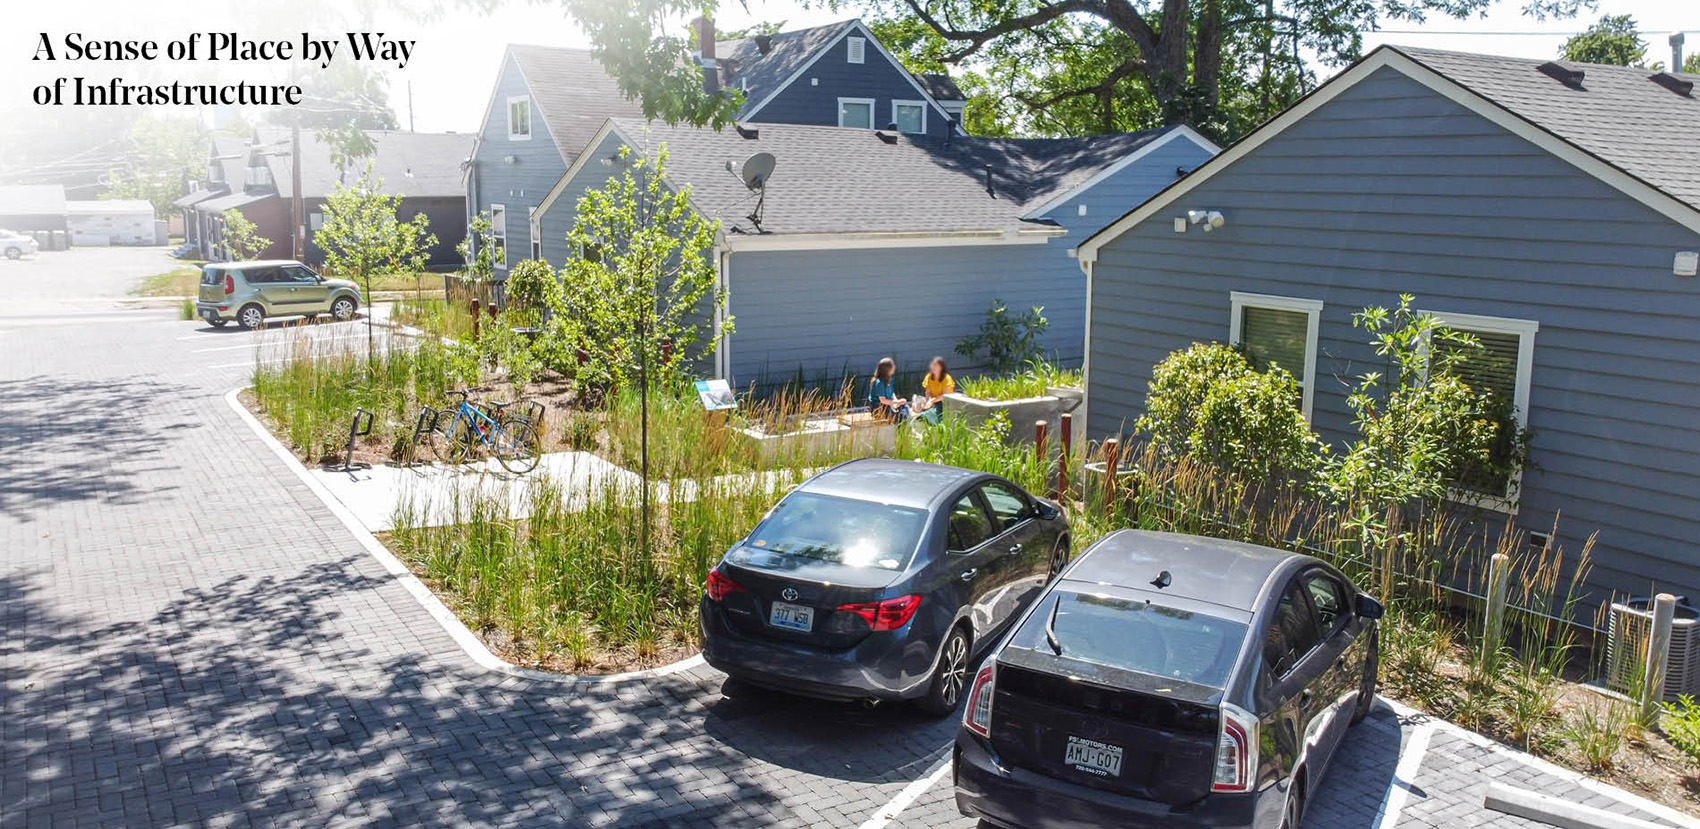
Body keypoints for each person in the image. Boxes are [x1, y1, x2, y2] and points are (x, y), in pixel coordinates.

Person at [867, 357, 909, 421]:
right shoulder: (879, 382)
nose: (894, 367)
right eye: (893, 365)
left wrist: (897, 402)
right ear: (887, 369)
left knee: (905, 406)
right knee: (899, 416)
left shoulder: (889, 379)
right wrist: (897, 402)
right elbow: (882, 400)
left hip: (888, 405)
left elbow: (891, 393)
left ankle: (905, 422)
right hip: (879, 407)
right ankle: (903, 425)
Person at [914, 356, 953, 425]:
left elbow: (945, 396)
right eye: (933, 365)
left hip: (943, 403)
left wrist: (932, 401)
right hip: (932, 402)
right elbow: (928, 393)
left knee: (930, 414)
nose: (933, 367)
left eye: (936, 365)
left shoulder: (947, 378)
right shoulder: (929, 377)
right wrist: (928, 402)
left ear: (941, 367)